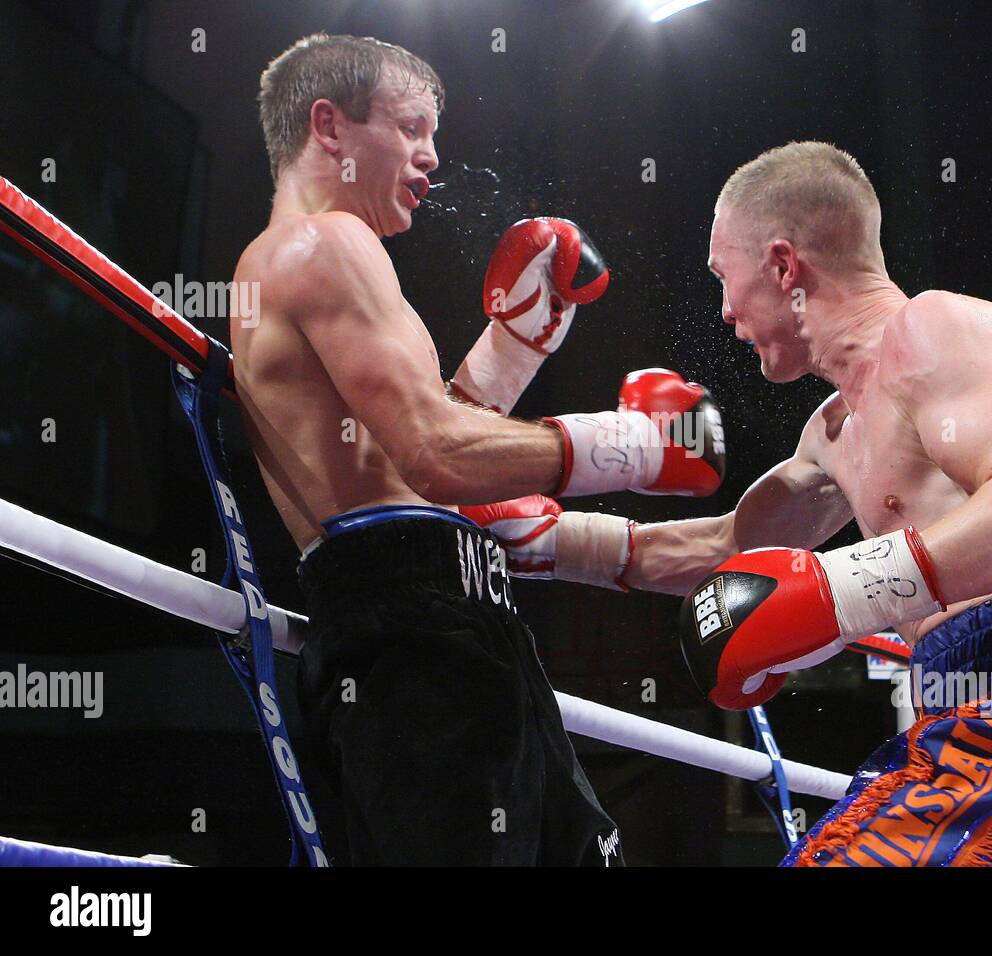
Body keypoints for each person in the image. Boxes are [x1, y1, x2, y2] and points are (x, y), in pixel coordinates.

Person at [471, 141, 992, 866]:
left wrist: (840, 591)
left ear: (784, 267)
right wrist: (545, 542)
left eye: (726, 278)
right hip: (970, 718)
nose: (723, 311)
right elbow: (727, 551)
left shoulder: (936, 330)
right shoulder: (832, 431)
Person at [230, 34, 725, 865]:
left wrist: (513, 350)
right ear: (330, 125)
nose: (432, 158)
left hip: (458, 621)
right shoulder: (321, 247)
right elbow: (434, 455)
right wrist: (630, 446)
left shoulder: (343, 262)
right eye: (413, 128)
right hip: (412, 637)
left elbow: (412, 447)